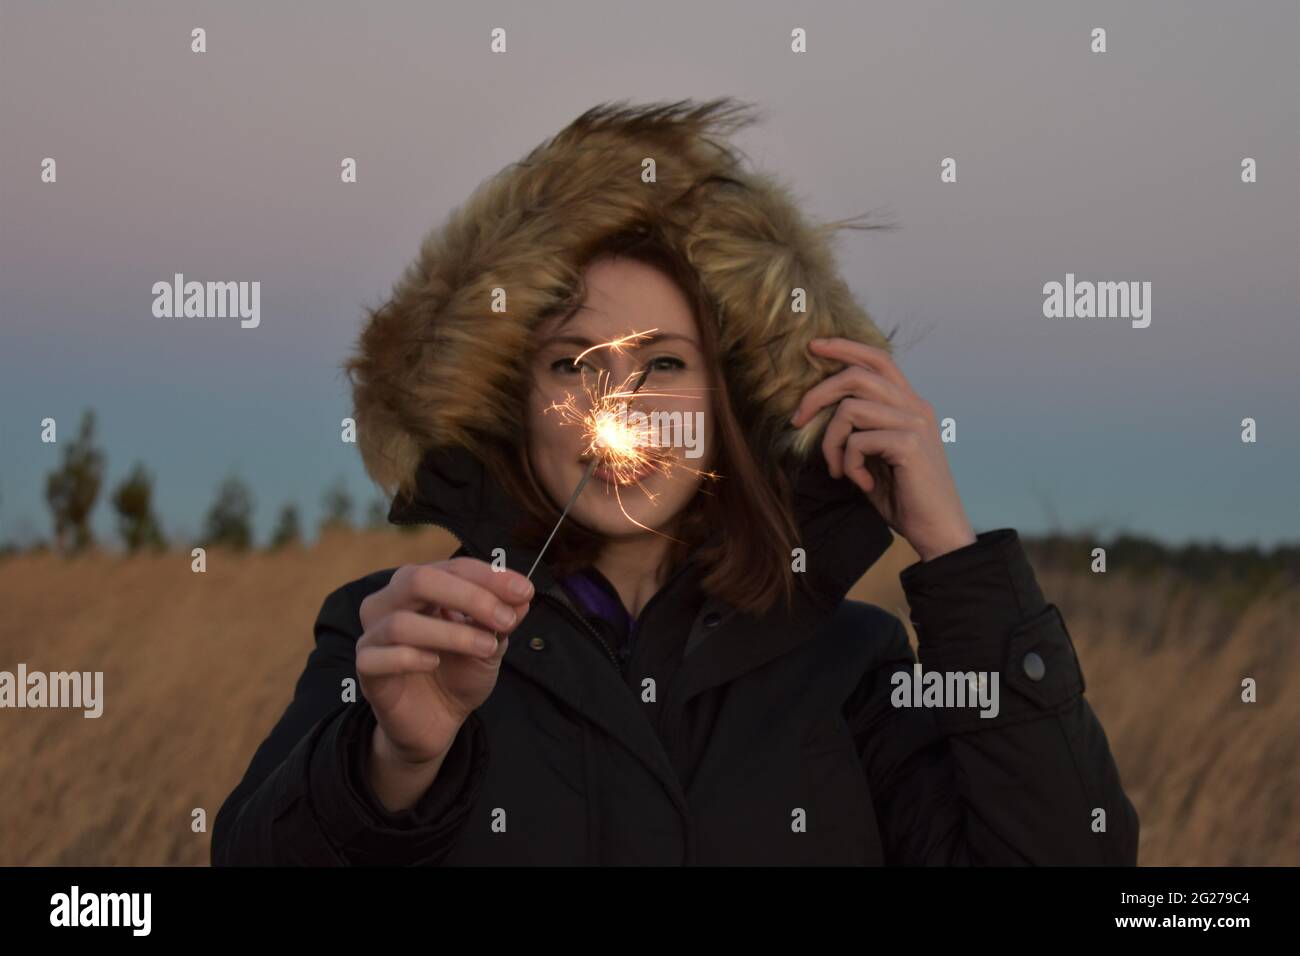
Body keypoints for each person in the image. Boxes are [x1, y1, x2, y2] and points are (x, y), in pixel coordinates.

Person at [211, 98, 1139, 865]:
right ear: (511, 405)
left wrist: (955, 559)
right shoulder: (402, 630)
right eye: (573, 366)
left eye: (662, 367)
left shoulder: (851, 663)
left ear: (729, 402)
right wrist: (393, 764)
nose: (618, 409)